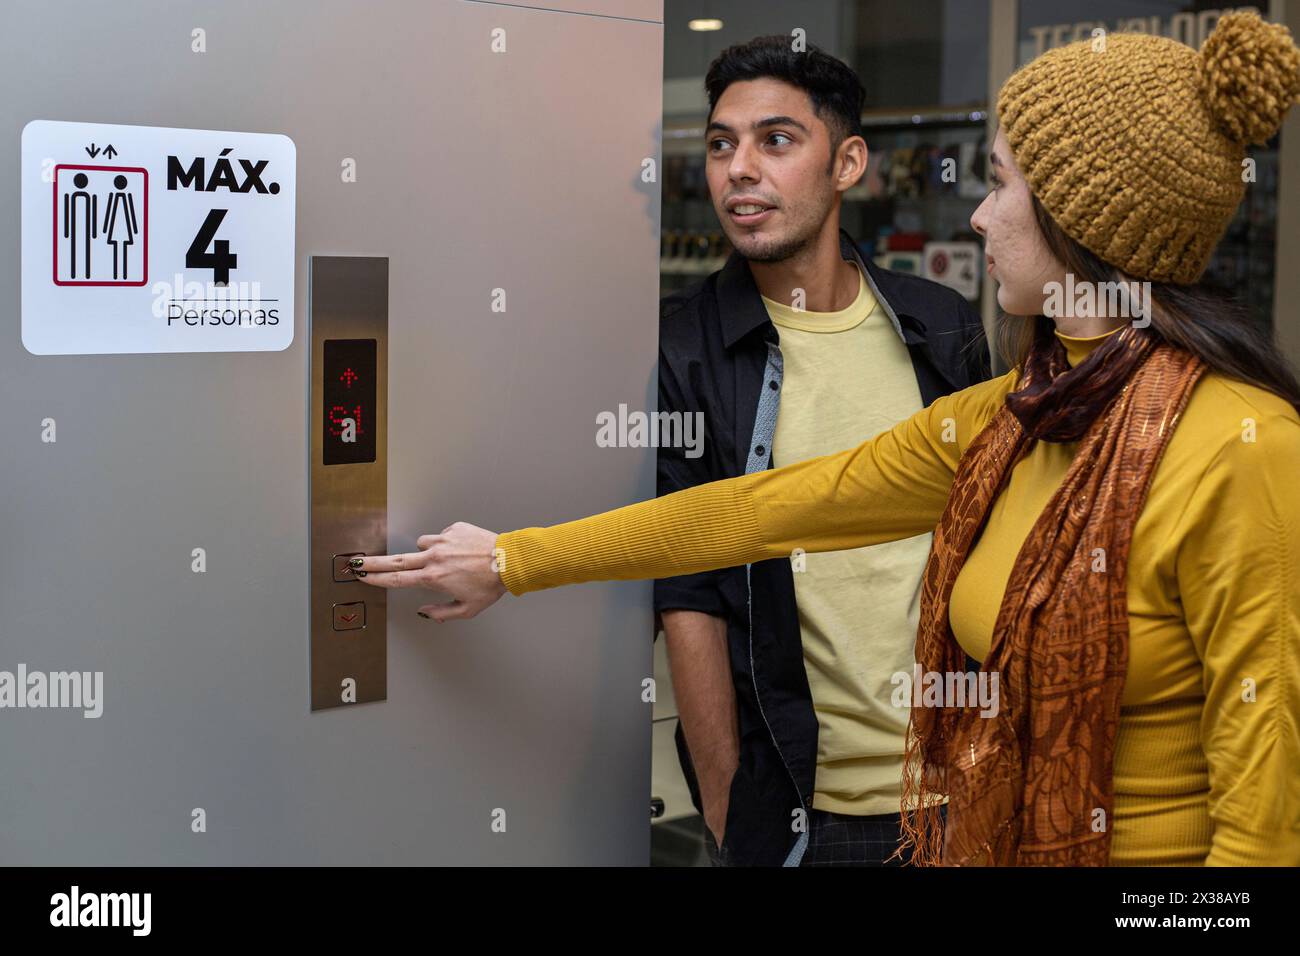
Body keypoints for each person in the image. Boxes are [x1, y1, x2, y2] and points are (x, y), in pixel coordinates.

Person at [354, 12, 1300, 865]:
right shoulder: (1007, 418)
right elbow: (761, 510)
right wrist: (512, 560)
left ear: (1083, 222)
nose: (977, 214)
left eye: (1003, 184)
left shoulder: (1242, 446)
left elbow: (1266, 814)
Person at [654, 36, 988, 867]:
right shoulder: (682, 348)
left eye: (776, 140)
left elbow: (987, 531)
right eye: (722, 143)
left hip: (960, 788)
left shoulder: (938, 326)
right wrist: (731, 807)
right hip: (807, 813)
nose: (739, 169)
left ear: (847, 163)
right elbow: (688, 586)